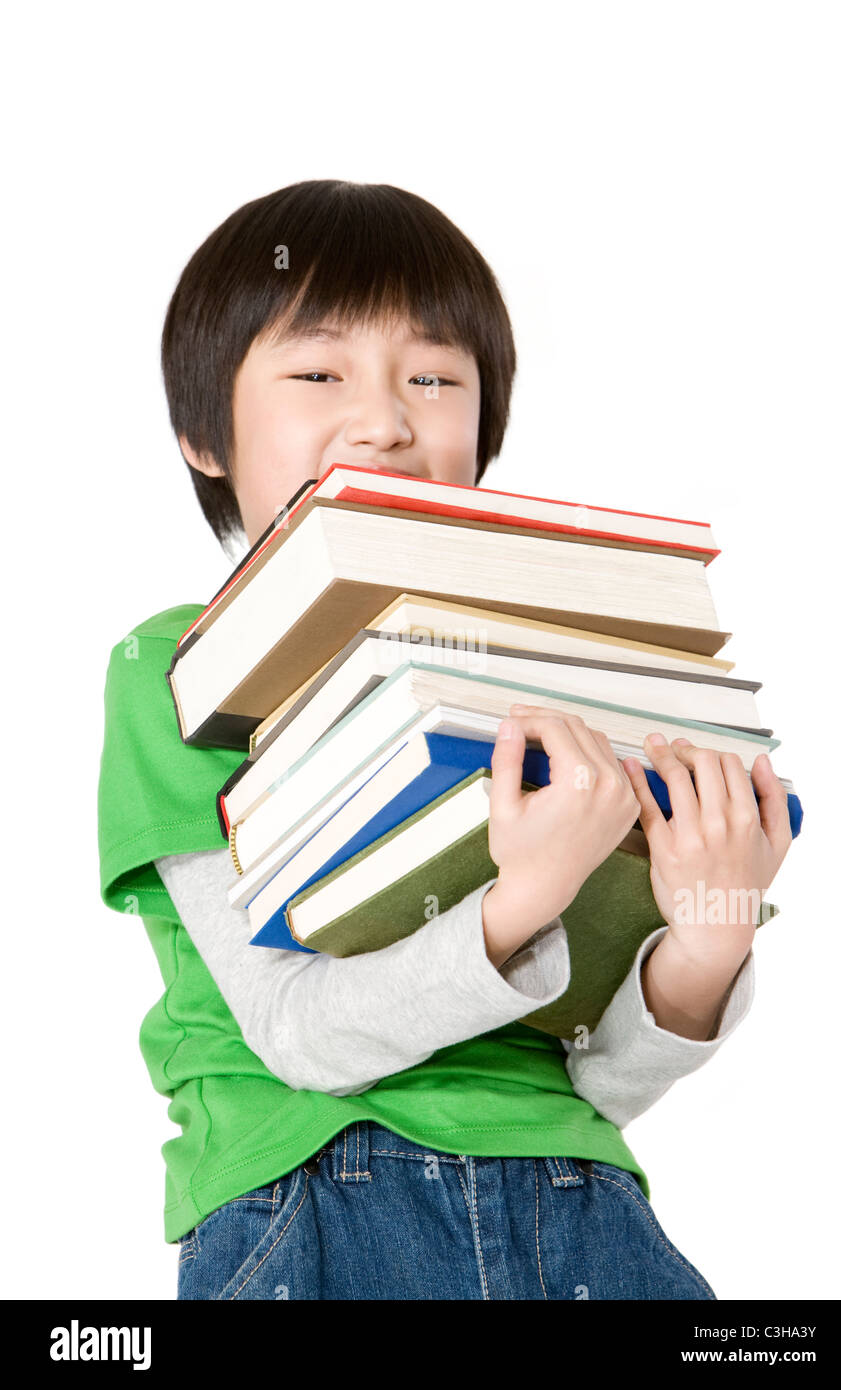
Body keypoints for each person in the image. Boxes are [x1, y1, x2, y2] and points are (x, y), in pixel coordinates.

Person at [96, 179, 792, 1300]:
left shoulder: (543, 666)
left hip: (585, 1205)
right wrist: (520, 896)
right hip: (317, 1198)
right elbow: (299, 1039)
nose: (385, 419)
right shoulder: (178, 669)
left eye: (432, 377)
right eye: (318, 373)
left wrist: (707, 933)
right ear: (202, 433)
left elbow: (593, 1080)